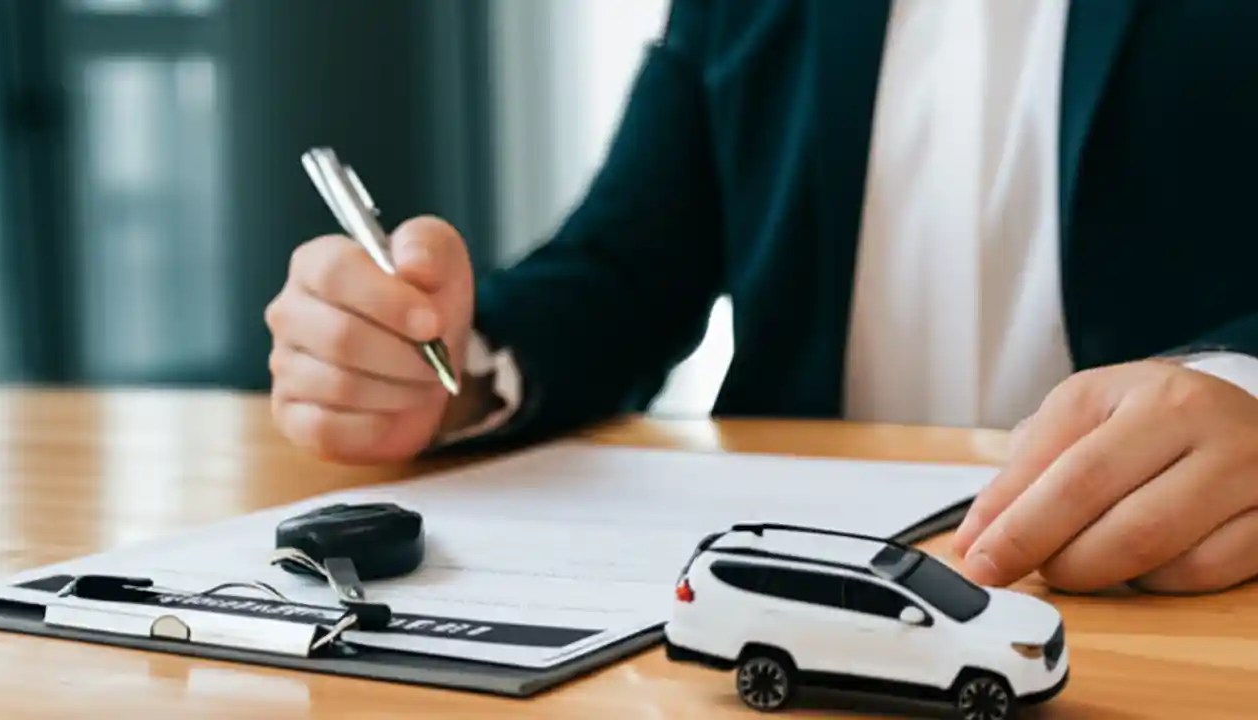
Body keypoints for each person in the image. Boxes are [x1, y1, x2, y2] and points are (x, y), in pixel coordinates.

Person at [264, 1, 1258, 595]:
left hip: (1164, 598)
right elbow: (622, 274)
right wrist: (454, 367)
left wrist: (1243, 385)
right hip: (804, 594)